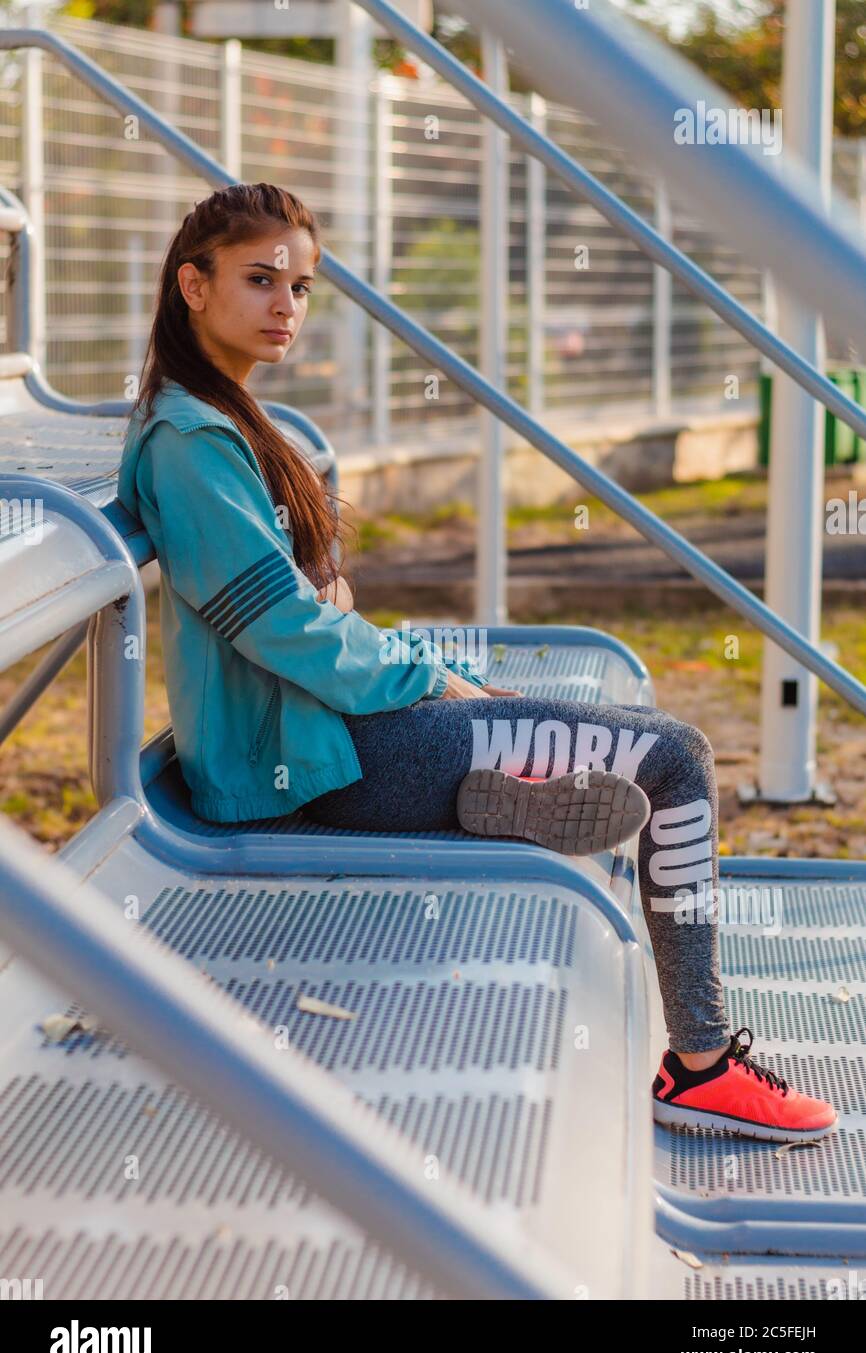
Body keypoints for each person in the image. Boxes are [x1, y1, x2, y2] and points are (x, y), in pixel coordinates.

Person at [117, 182, 837, 1145]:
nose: (287, 305)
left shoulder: (220, 417)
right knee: (674, 763)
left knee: (554, 721)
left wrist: (419, 667)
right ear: (192, 285)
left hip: (330, 737)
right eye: (260, 280)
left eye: (301, 286)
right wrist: (425, 680)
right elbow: (281, 624)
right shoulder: (191, 440)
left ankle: (493, 794)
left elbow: (309, 616)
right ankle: (701, 1065)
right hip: (315, 764)